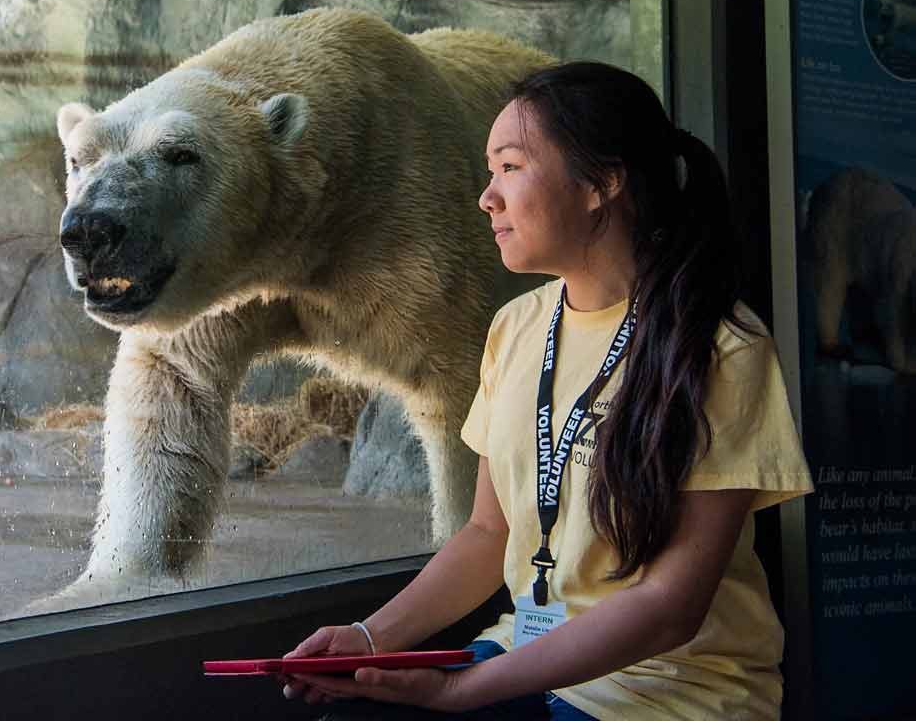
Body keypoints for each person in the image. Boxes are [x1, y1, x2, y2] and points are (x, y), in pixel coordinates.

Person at [280, 61, 814, 719]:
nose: (487, 197)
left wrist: (461, 691)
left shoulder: (721, 347)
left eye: (510, 166)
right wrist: (370, 639)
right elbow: (487, 531)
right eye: (490, 170)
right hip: (526, 654)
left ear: (601, 183)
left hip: (668, 692)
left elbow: (670, 606)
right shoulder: (516, 326)